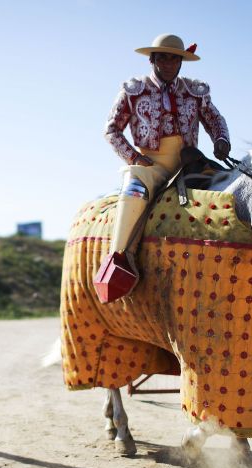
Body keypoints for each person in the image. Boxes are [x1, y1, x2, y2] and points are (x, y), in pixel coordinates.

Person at [98, 33, 231, 302]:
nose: (169, 63)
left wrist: (221, 140)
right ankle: (118, 258)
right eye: (163, 58)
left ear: (181, 62)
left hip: (189, 162)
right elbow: (111, 130)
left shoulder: (196, 91)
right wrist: (134, 158)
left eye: (174, 58)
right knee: (134, 193)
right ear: (152, 59)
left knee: (228, 190)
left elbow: (216, 120)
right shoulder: (133, 90)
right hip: (151, 164)